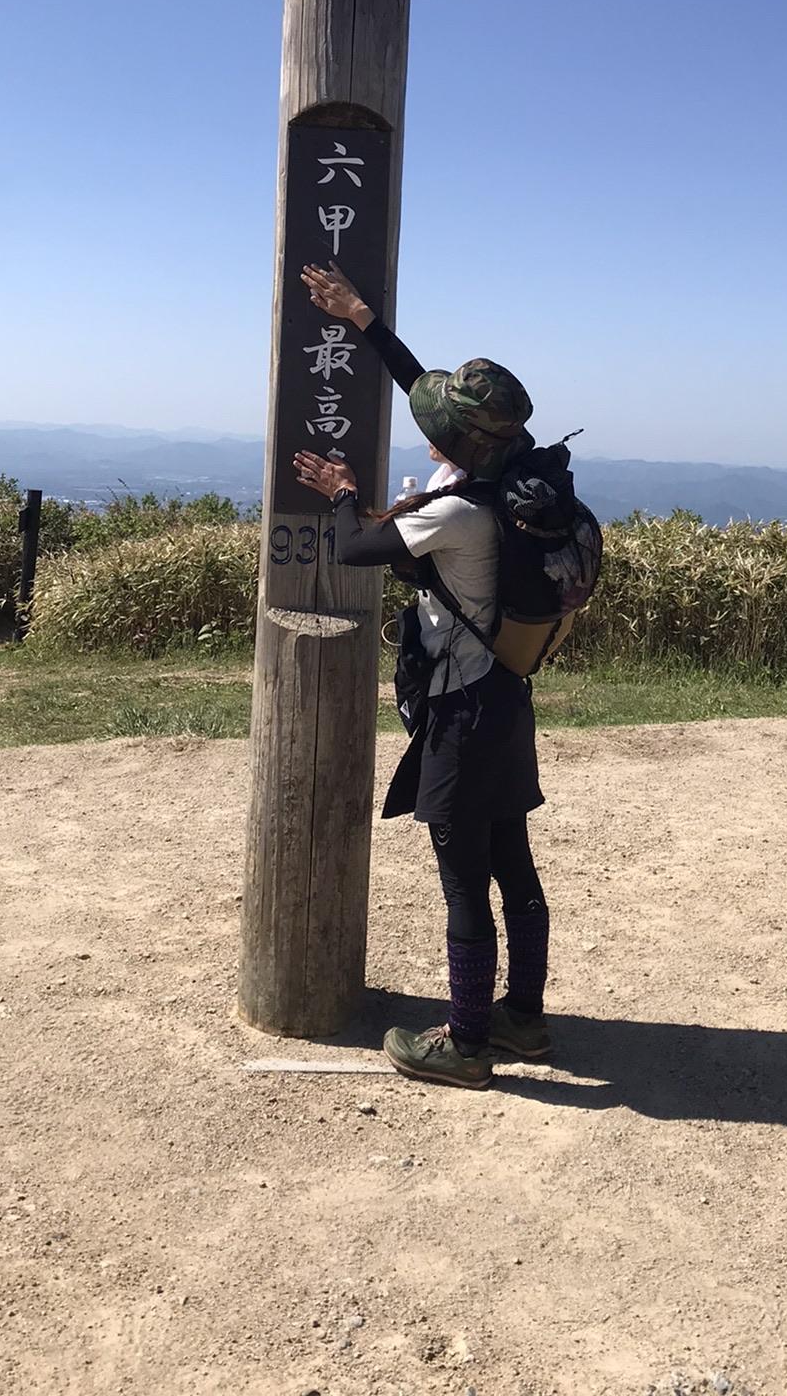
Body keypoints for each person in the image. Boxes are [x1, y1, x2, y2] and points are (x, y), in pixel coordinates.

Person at [293, 261, 552, 1091]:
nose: (423, 422)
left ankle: (467, 1042)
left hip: (462, 715)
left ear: (456, 444)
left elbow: (358, 550)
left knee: (463, 877)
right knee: (513, 863)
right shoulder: (506, 484)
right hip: (506, 701)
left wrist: (340, 493)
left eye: (437, 423)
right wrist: (362, 318)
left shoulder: (454, 510)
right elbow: (428, 397)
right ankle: (523, 1019)